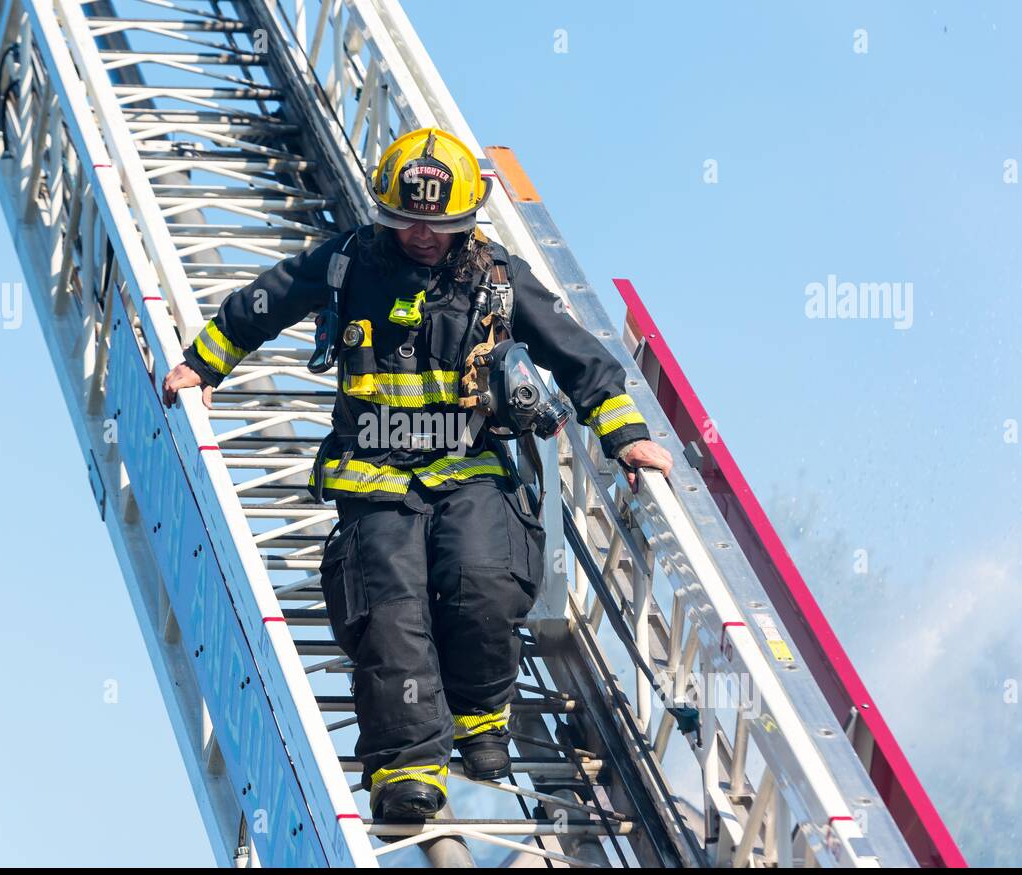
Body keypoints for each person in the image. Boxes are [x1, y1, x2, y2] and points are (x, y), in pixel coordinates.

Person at [163, 127, 672, 823]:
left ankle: (479, 714)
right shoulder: (347, 263)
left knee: (482, 579)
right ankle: (406, 763)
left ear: (465, 220)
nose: (423, 237)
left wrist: (628, 438)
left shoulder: (499, 278)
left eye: (439, 225)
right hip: (373, 478)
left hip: (471, 470)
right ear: (386, 214)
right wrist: (204, 361)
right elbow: (268, 298)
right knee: (390, 607)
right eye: (407, 222)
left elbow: (579, 355)